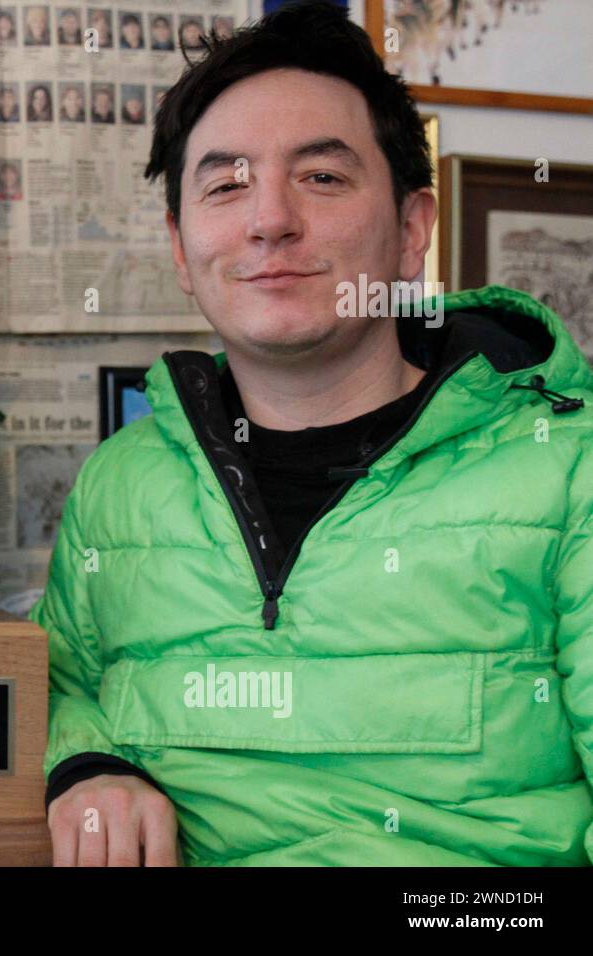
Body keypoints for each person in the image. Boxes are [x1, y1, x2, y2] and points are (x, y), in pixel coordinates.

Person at [35, 0, 593, 867]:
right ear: (183, 250)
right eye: (225, 185)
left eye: (322, 178)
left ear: (413, 231)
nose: (270, 221)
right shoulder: (122, 481)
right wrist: (85, 762)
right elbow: (56, 684)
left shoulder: (570, 473)